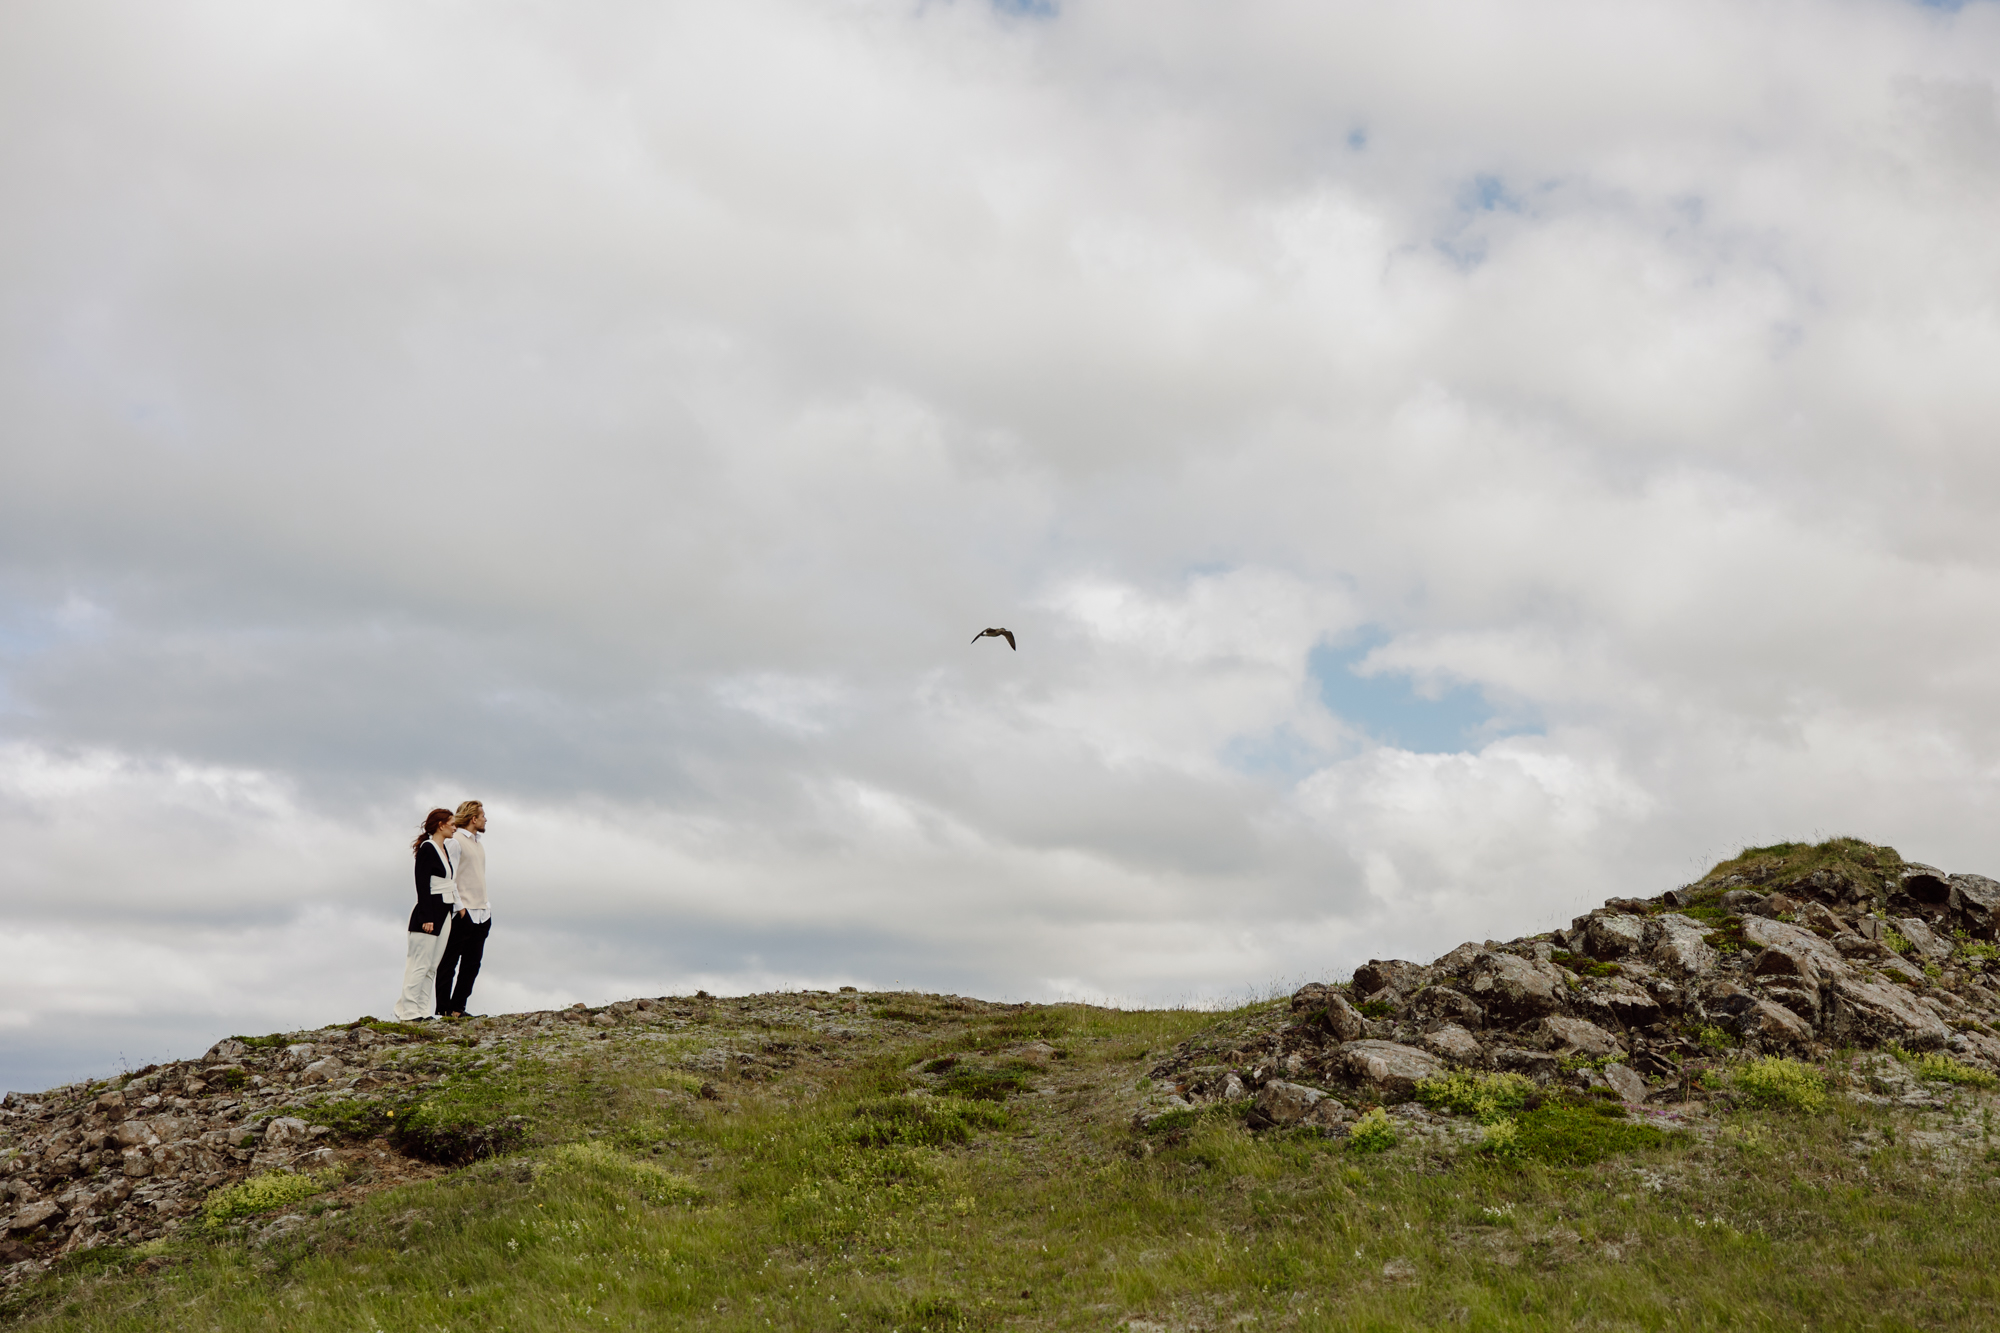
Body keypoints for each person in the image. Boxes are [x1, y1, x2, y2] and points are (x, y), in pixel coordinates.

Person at [395, 807, 458, 1021]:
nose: (454, 827)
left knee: (432, 966)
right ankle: (408, 1012)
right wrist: (427, 917)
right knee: (419, 964)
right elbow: (422, 885)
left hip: (445, 912)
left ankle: (422, 1010)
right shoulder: (427, 848)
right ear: (441, 825)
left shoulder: (444, 849)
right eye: (452, 823)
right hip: (428, 914)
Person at [436, 799, 492, 1017]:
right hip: (463, 913)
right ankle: (443, 1009)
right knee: (449, 962)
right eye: (483, 815)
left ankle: (458, 1009)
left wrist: (487, 907)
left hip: (481, 913)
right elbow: (450, 878)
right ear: (473, 818)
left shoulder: (478, 843)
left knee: (472, 965)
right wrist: (460, 909)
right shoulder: (455, 841)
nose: (486, 819)